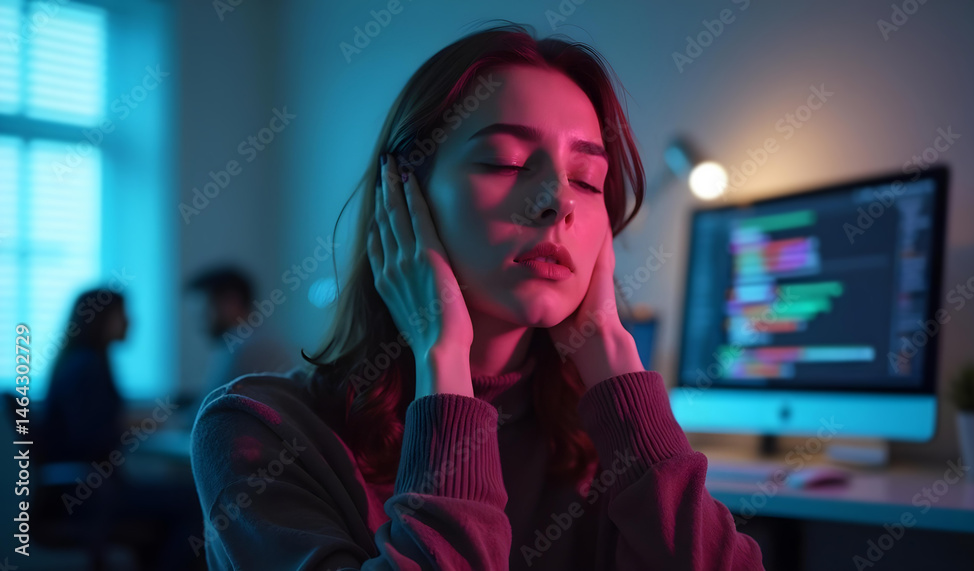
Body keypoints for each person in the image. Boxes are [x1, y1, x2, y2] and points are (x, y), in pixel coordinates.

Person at [190, 22, 765, 570]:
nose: (557, 202)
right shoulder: (255, 429)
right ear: (403, 198)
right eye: (506, 162)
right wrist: (441, 358)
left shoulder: (603, 434)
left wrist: (611, 349)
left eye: (587, 180)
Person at [39, 288, 204, 571]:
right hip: (89, 495)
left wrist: (139, 423)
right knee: (198, 499)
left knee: (180, 499)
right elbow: (90, 438)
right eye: (122, 315)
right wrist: (140, 425)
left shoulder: (84, 362)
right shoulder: (86, 367)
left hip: (93, 490)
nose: (130, 322)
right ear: (101, 319)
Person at [184, 266, 294, 407]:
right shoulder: (251, 339)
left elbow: (207, 411)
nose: (201, 324)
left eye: (204, 312)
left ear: (231, 302)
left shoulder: (247, 347)